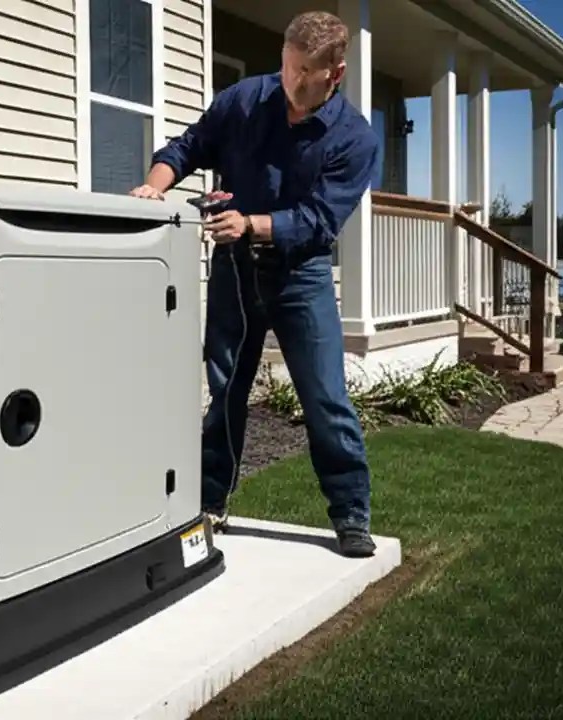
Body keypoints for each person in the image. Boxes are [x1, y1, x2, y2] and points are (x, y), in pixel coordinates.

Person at [130, 10, 380, 558]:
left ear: (333, 75)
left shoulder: (354, 139)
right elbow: (189, 145)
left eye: (304, 73)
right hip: (235, 271)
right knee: (225, 391)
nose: (289, 81)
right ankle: (210, 499)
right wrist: (154, 187)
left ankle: (350, 511)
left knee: (324, 398)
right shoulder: (245, 100)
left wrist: (250, 222)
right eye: (287, 65)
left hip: (301, 276)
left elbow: (318, 220)